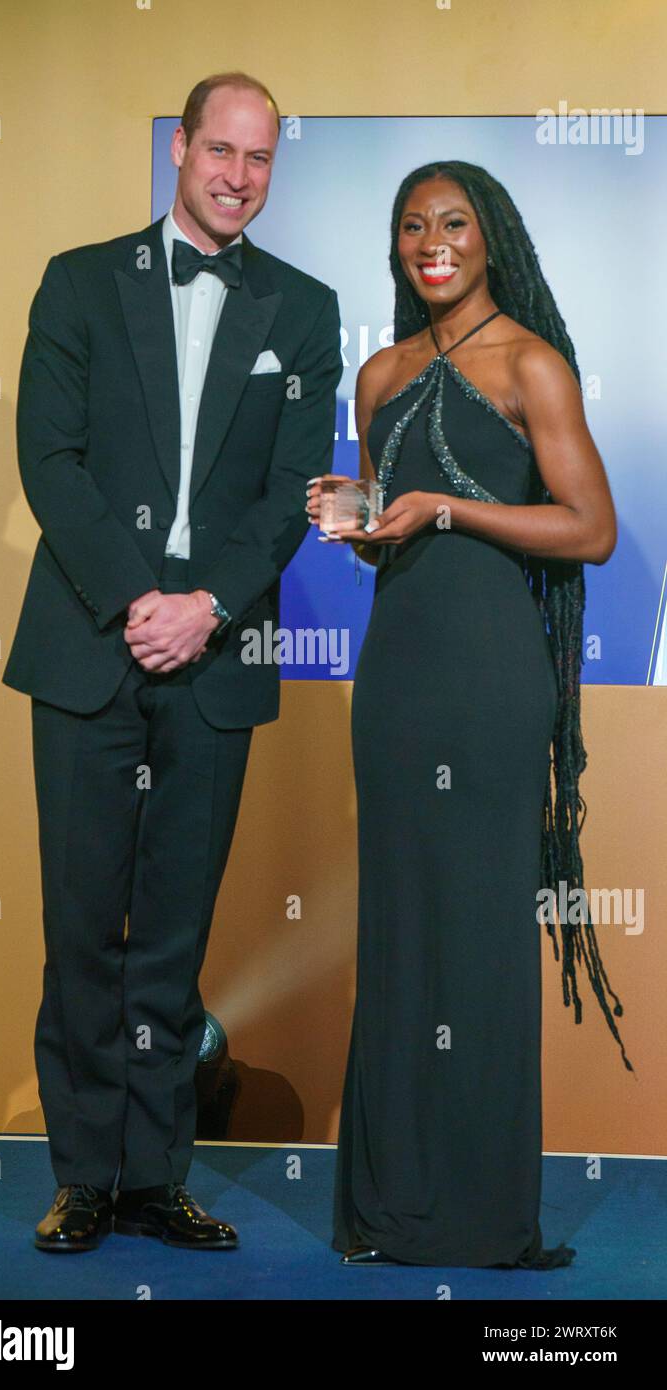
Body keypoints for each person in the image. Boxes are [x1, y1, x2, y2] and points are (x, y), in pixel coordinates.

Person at [3, 71, 342, 1252]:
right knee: (85, 925)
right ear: (181, 150)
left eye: (261, 160)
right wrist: (140, 599)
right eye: (222, 151)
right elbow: (49, 456)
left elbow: (295, 495)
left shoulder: (304, 310)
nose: (239, 176)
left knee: (176, 935)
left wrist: (203, 606)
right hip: (92, 645)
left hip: (217, 653)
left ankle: (154, 1175)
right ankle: (82, 1175)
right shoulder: (82, 281)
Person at [306, 160, 632, 1270]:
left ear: (492, 238)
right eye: (412, 226)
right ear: (396, 245)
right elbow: (386, 536)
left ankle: (488, 1218)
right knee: (400, 929)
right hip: (397, 675)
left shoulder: (532, 364)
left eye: (454, 223)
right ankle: (393, 1212)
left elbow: (591, 528)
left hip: (494, 679)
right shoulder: (378, 372)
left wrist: (450, 505)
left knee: (484, 930)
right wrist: (358, 522)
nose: (431, 242)